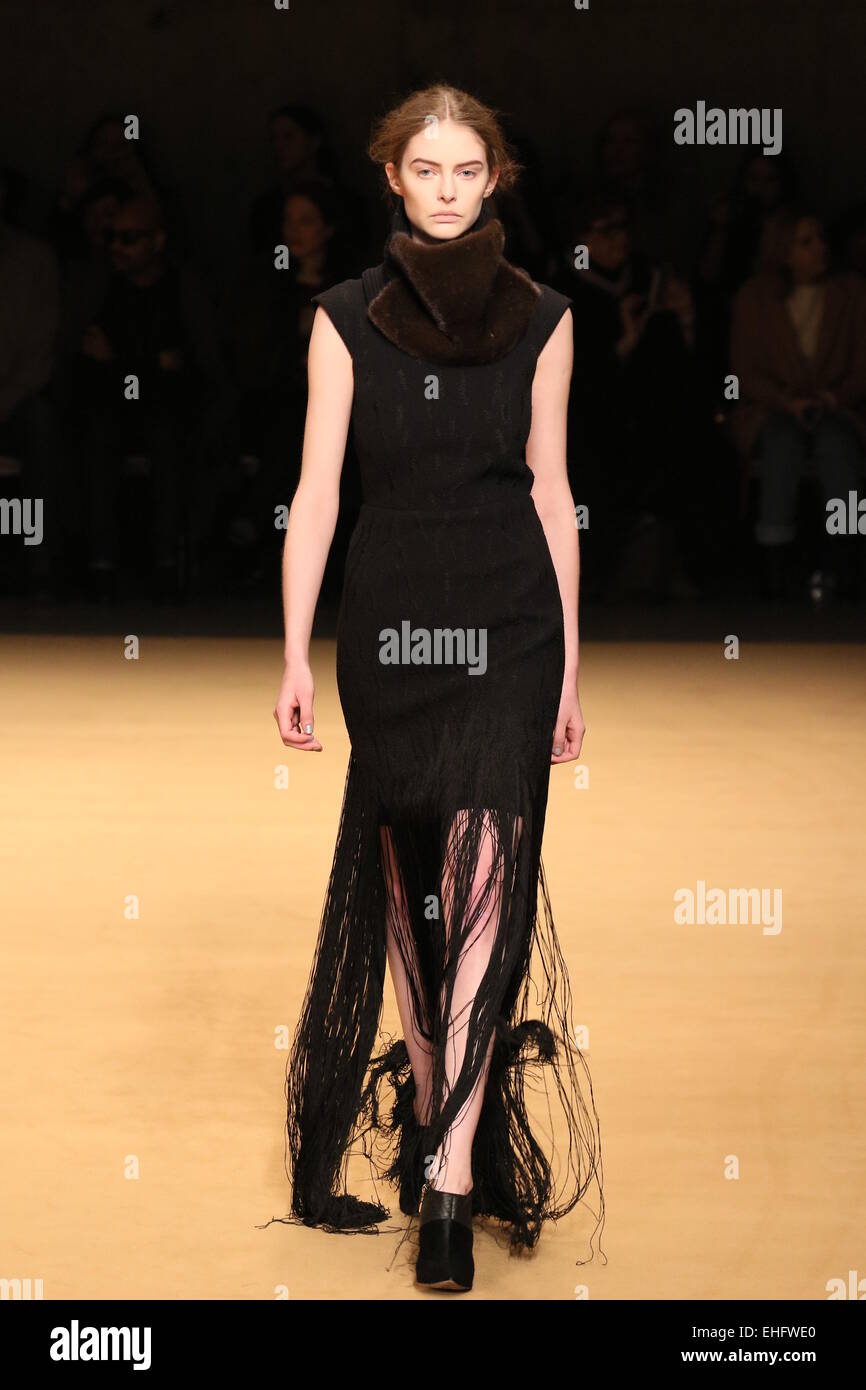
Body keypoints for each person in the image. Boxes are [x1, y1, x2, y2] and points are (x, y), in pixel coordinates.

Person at [270, 84, 605, 1292]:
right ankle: (433, 1115)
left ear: (494, 179)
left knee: (484, 886)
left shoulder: (544, 318)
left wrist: (567, 660)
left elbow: (552, 489)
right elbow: (315, 494)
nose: (451, 187)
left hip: (509, 626)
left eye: (470, 168)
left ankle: (452, 1176)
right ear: (395, 181)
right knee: (418, 900)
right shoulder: (345, 316)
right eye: (429, 169)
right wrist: (295, 649)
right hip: (393, 627)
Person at [729, 203, 866, 599]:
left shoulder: (851, 294)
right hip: (771, 410)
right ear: (783, 250)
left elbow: (861, 365)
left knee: (837, 446)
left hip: (837, 409)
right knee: (781, 445)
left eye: (820, 238)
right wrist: (784, 400)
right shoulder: (754, 297)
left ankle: (841, 561)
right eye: (806, 242)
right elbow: (744, 370)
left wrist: (830, 398)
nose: (819, 247)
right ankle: (775, 569)